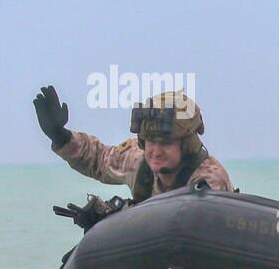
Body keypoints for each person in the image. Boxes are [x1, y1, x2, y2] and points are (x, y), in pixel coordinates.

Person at [33, 85, 233, 201]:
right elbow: (97, 158)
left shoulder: (209, 181)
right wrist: (60, 136)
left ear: (187, 144)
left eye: (165, 142)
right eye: (150, 141)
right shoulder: (138, 160)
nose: (155, 151)